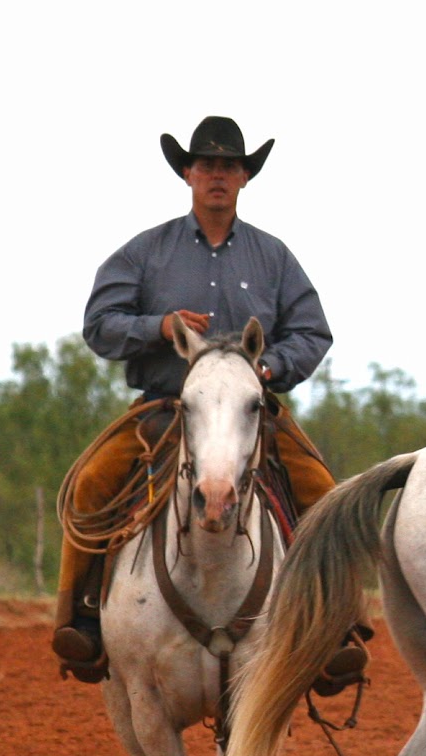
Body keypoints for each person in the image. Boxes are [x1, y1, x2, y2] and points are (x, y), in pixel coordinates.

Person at [54, 115, 367, 692]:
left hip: (251, 411)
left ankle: (338, 627)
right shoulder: (146, 252)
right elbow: (99, 323)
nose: (217, 175)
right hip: (165, 408)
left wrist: (268, 368)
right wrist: (159, 325)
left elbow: (312, 332)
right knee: (92, 483)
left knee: (323, 492)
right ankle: (82, 619)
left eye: (229, 166)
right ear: (188, 174)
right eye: (207, 165)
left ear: (245, 177)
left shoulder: (274, 257)